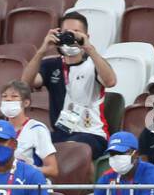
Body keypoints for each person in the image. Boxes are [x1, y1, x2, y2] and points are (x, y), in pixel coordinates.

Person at [22, 11, 118, 158]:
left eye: (76, 33)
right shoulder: (51, 65)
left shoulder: (94, 64)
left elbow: (111, 81)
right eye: (66, 33)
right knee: (28, 147)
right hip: (62, 133)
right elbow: (25, 83)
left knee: (70, 150)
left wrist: (89, 48)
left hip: (91, 134)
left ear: (86, 36)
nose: (70, 37)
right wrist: (42, 50)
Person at [89, 130, 154, 195]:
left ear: (136, 154)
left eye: (122, 153)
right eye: (112, 154)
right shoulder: (106, 178)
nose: (117, 157)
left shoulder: (153, 175)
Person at [0, 80, 57, 180]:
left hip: (30, 184)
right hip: (4, 185)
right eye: (4, 96)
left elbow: (53, 170)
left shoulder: (37, 129)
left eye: (14, 96)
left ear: (26, 103)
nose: (8, 99)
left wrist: (23, 171)